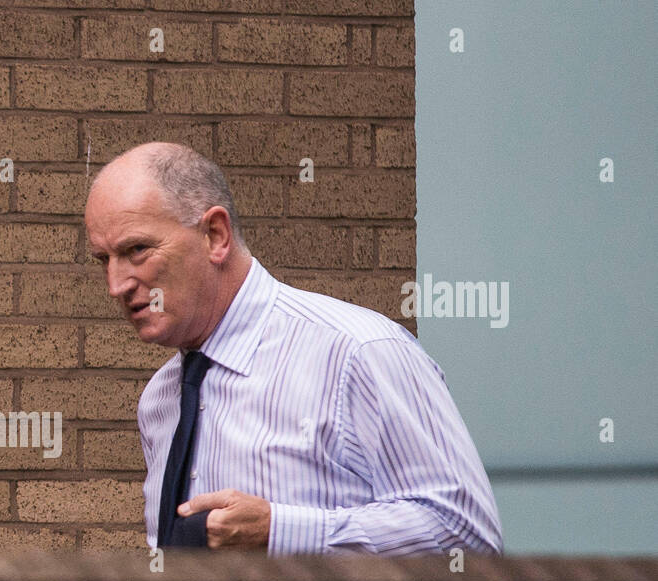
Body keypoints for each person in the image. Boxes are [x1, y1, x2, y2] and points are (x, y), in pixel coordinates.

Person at [84, 143, 502, 555]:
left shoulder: (359, 353)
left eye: (136, 250)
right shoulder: (160, 399)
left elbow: (466, 535)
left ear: (215, 235)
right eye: (104, 259)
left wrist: (280, 531)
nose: (116, 285)